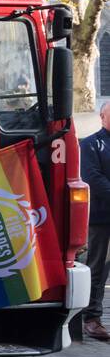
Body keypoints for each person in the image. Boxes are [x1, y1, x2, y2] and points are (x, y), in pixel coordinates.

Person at [79, 103, 110, 341]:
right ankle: (91, 318)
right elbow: (92, 178)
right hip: (101, 218)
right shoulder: (90, 144)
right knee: (98, 268)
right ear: (102, 116)